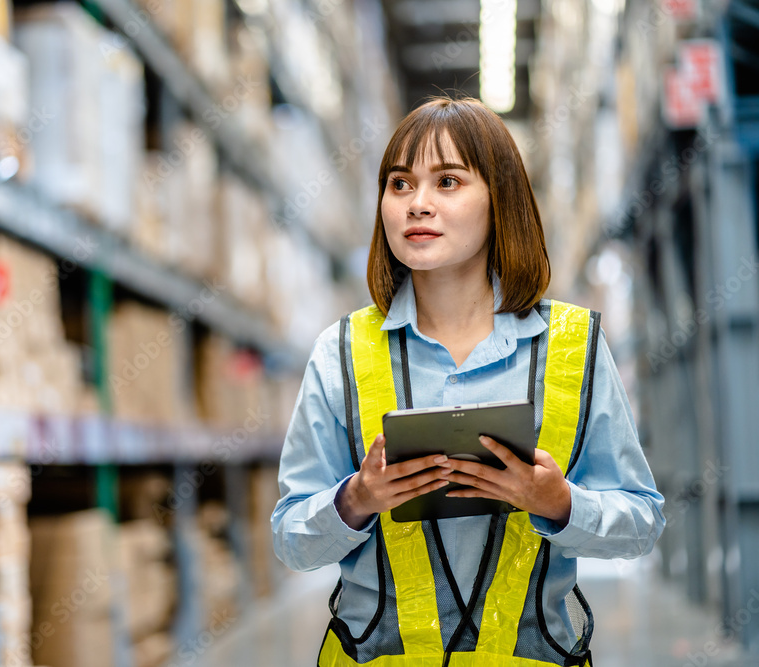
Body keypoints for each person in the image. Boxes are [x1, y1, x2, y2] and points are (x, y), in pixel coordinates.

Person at [271, 96, 665, 667]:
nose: (417, 204)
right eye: (400, 185)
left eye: (447, 181)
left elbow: (641, 524)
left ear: (498, 200)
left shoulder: (573, 346)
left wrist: (558, 503)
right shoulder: (341, 353)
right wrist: (356, 500)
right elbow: (290, 539)